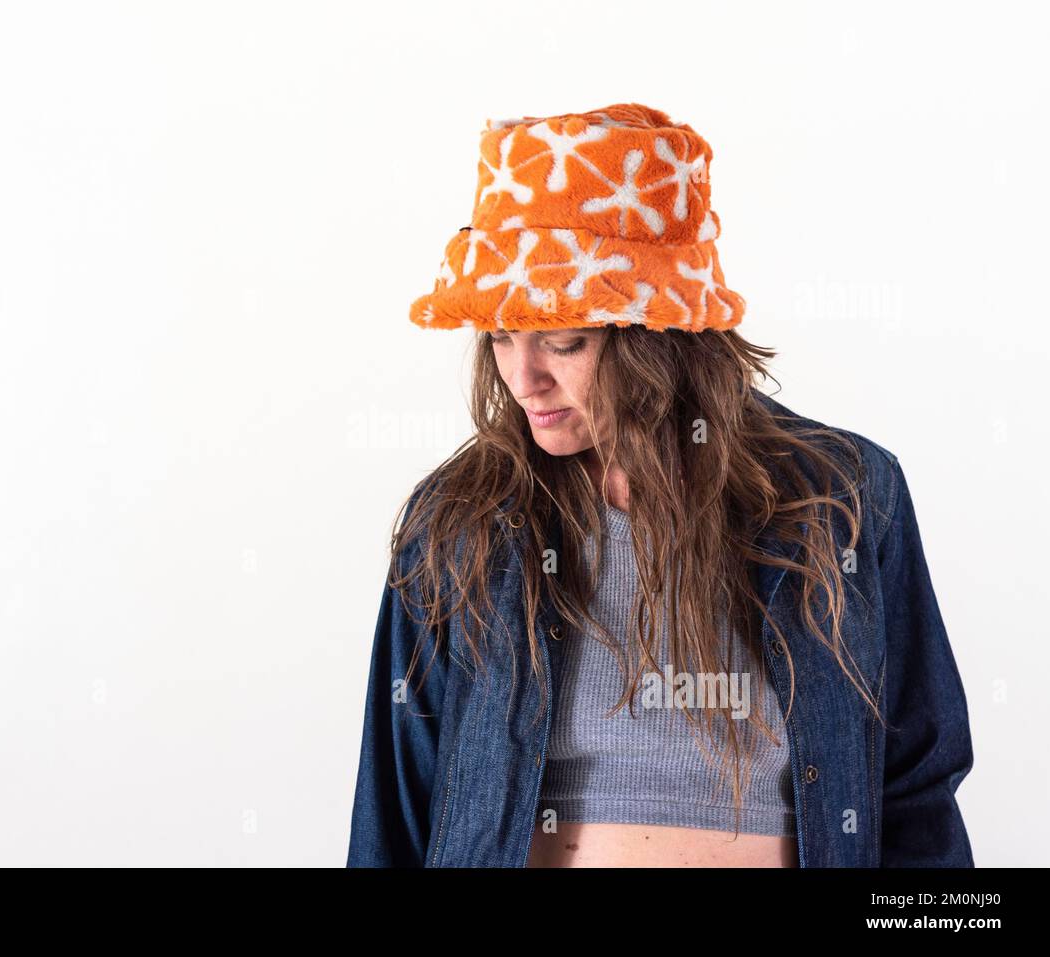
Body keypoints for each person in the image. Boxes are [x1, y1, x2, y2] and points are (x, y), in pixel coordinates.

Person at [346, 102, 974, 868]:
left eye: (566, 341)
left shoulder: (843, 497)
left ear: (657, 334)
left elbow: (916, 790)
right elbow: (392, 811)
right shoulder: (459, 524)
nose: (523, 379)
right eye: (501, 336)